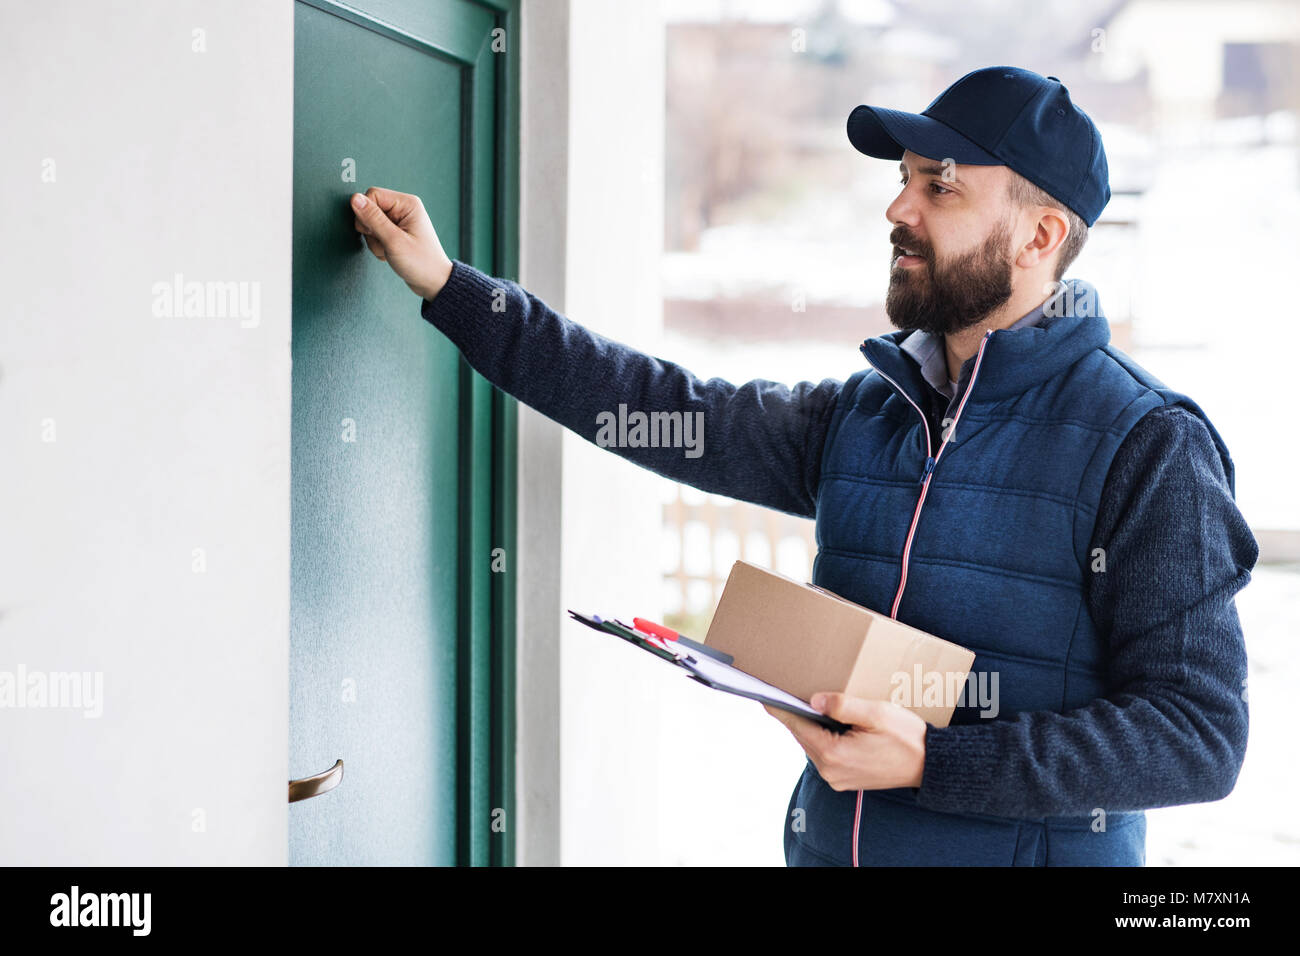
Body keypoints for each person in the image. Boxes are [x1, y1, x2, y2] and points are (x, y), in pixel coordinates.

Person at [349, 66, 1257, 867]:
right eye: (903, 182)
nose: (898, 210)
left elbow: (1198, 733)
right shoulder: (867, 413)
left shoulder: (1148, 444)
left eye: (940, 188)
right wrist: (451, 287)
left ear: (1040, 234)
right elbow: (660, 409)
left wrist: (934, 762)